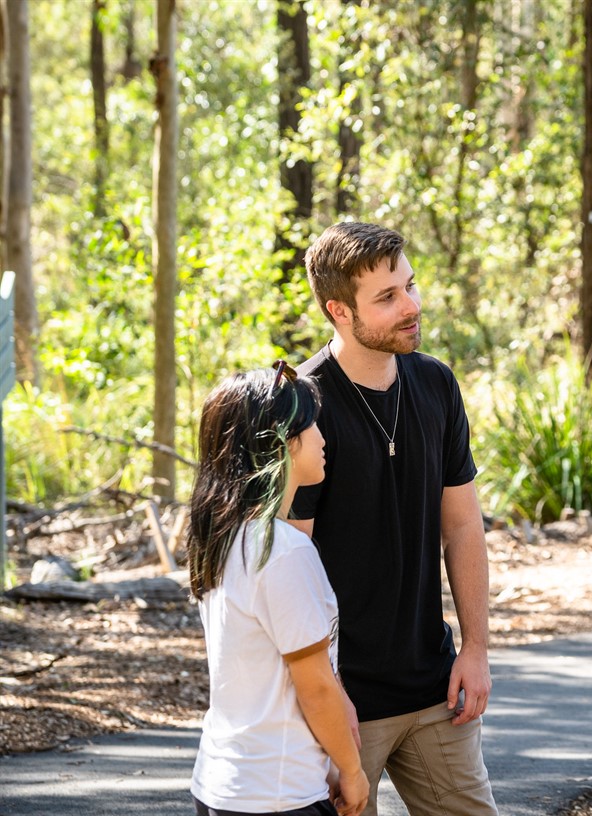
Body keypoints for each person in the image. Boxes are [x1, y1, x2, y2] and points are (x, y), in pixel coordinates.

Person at [289, 221, 498, 816]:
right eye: (387, 297)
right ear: (339, 311)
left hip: (435, 690)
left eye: (409, 285)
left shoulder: (434, 382)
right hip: (344, 704)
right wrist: (326, 699)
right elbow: (290, 567)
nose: (412, 305)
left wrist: (476, 648)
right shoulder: (304, 406)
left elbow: (460, 526)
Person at [187, 364, 369, 816]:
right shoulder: (282, 550)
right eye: (311, 427)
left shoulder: (225, 539)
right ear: (281, 442)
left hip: (223, 783)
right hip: (276, 796)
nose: (323, 439)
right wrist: (351, 770)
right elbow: (316, 687)